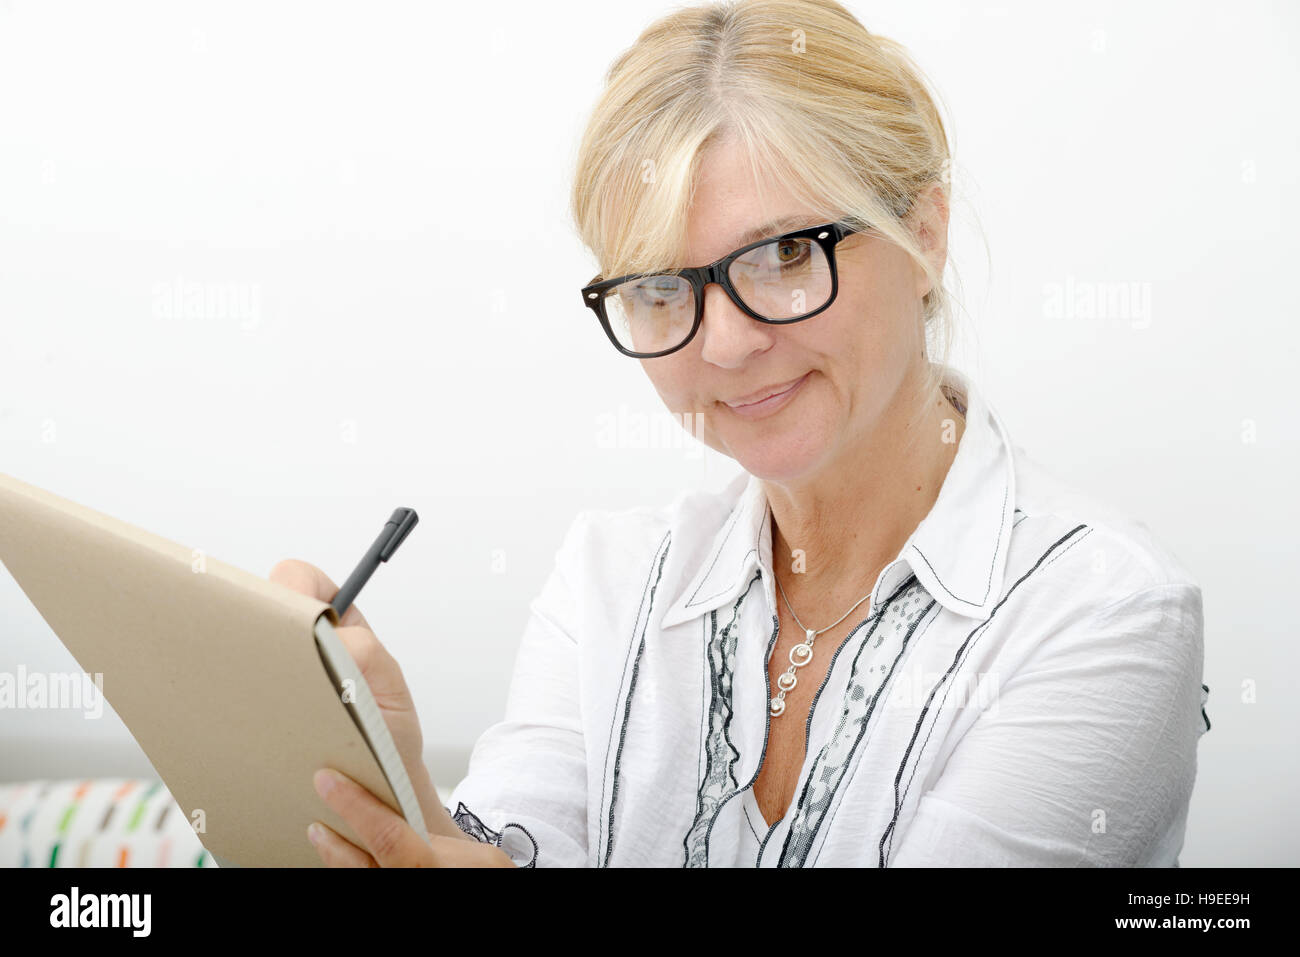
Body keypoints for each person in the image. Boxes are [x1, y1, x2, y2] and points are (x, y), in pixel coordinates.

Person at [276, 0, 1209, 867]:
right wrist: (403, 802)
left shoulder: (1101, 612)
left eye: (786, 254)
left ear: (925, 234)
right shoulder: (613, 580)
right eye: (661, 287)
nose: (725, 342)